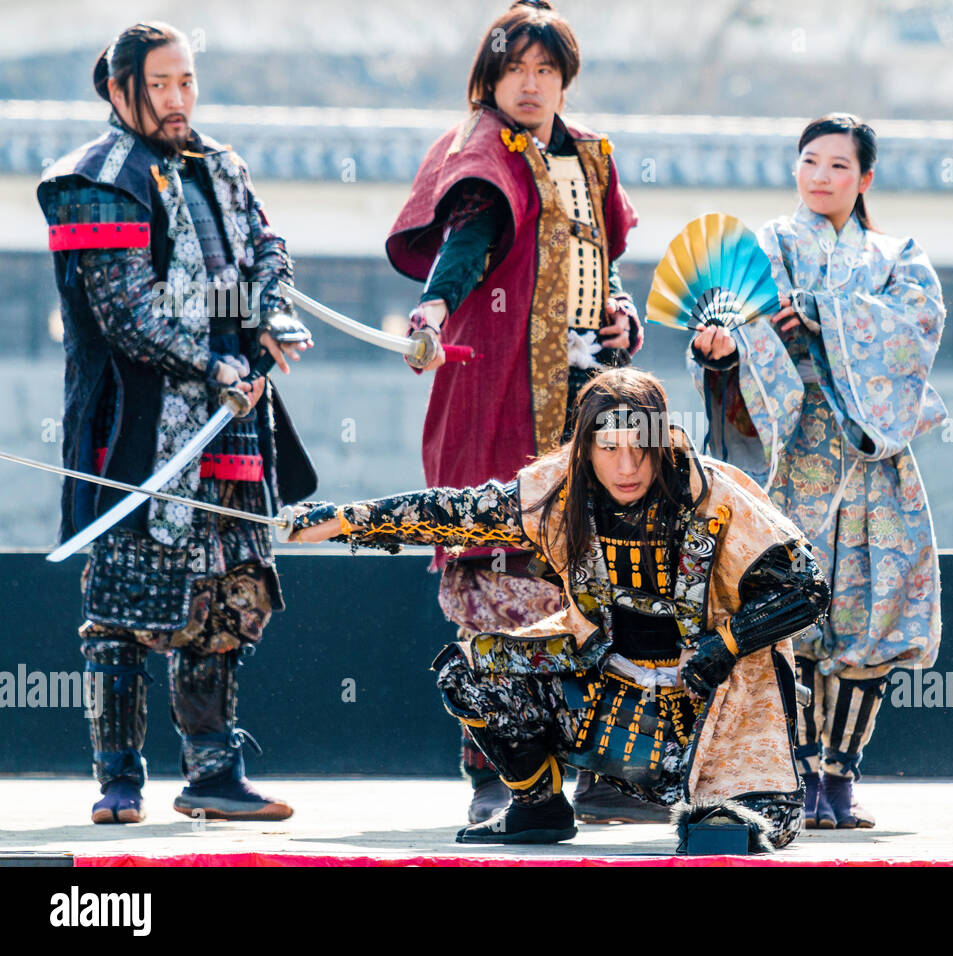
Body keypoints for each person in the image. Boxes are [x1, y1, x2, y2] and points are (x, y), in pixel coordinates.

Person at [289, 368, 829, 849]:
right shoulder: (557, 490)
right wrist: (344, 520)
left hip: (715, 706)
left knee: (725, 833)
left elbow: (808, 588)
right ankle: (537, 806)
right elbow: (457, 512)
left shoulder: (717, 497)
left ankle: (724, 800)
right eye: (609, 448)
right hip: (607, 690)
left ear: (662, 442)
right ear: (586, 449)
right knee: (472, 671)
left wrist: (728, 643)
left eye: (640, 448)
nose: (626, 466)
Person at [37, 22, 316, 823]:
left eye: (185, 82)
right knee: (123, 604)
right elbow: (127, 312)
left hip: (229, 424)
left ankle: (212, 774)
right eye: (159, 85)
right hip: (134, 424)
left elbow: (268, 247)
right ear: (120, 90)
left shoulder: (221, 166)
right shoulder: (90, 179)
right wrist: (214, 362)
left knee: (226, 596)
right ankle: (119, 780)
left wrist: (266, 311)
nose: (176, 100)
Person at [384, 0, 649, 824]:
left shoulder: (592, 156)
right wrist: (431, 313)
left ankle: (611, 769)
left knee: (609, 576)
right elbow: (465, 246)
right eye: (515, 70)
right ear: (490, 78)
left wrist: (621, 318)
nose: (531, 86)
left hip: (586, 405)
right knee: (498, 575)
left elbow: (597, 265)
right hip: (498, 392)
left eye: (546, 70)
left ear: (566, 78)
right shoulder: (482, 155)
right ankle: (497, 775)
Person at [689, 113, 945, 829]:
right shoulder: (762, 250)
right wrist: (721, 349)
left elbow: (916, 330)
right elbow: (733, 326)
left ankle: (841, 777)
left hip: (873, 456)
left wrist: (825, 317)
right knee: (790, 610)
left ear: (865, 179)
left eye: (839, 165)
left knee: (874, 613)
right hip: (789, 458)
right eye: (810, 161)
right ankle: (797, 776)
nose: (822, 176)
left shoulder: (899, 256)